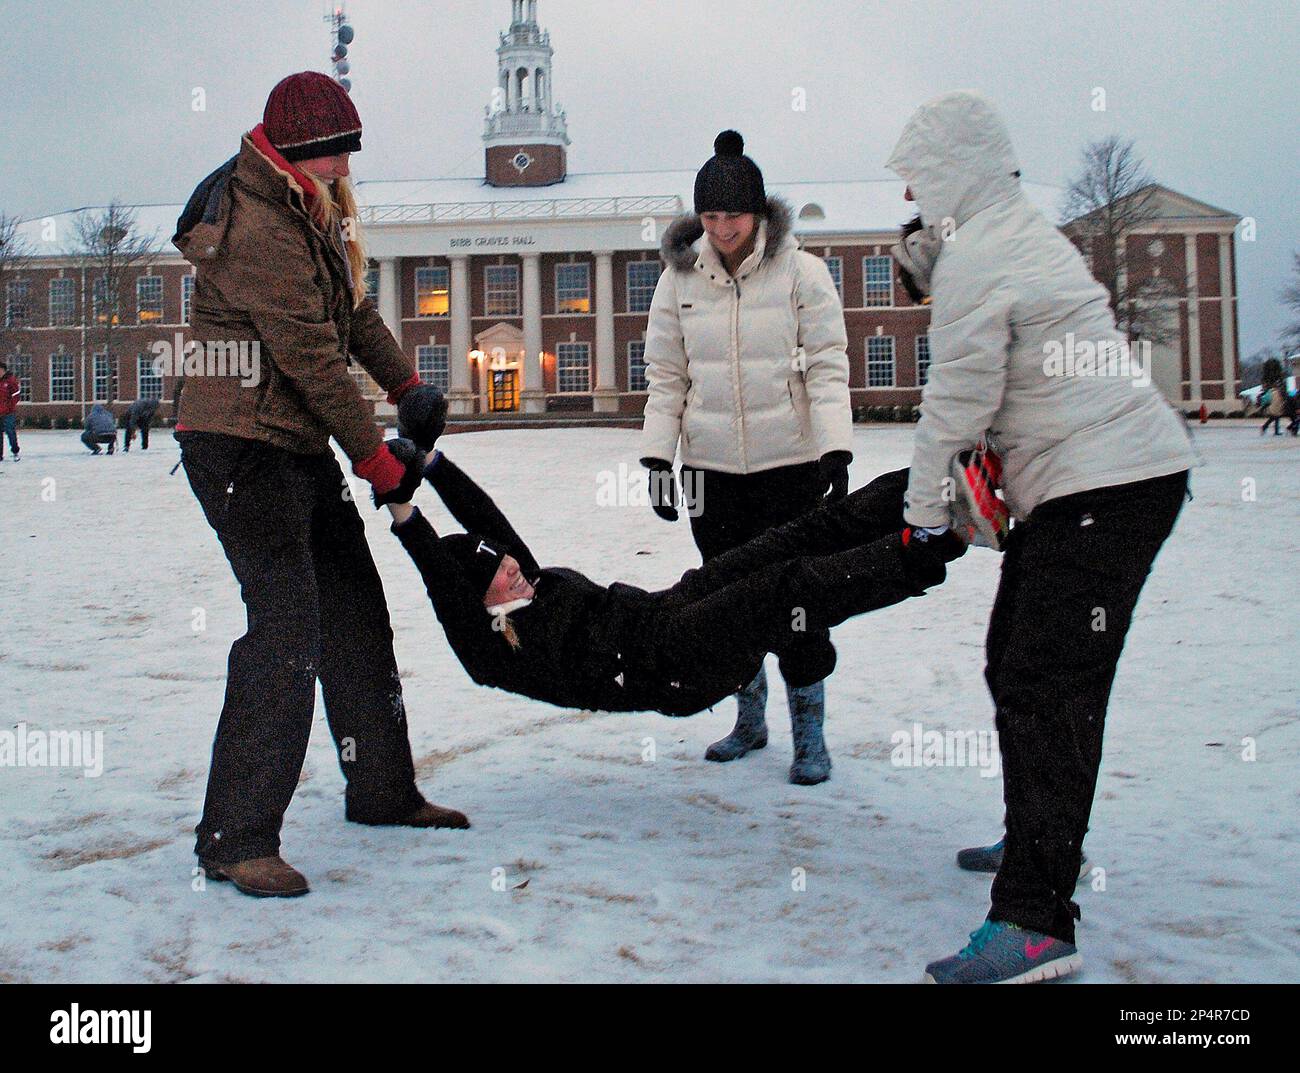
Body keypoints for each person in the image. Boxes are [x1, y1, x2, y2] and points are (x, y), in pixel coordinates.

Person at [885, 90, 1198, 984]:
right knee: (1015, 662)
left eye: (919, 183)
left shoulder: (987, 251)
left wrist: (919, 513)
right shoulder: (997, 231)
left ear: (955, 172)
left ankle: (1035, 917)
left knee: (1046, 676)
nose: (912, 199)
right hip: (1096, 482)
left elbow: (959, 398)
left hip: (1109, 484)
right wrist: (933, 255)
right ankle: (1039, 835)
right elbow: (978, 287)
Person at [172, 71, 463, 899]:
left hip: (293, 441)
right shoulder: (257, 223)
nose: (345, 168)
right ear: (297, 152)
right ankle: (235, 836)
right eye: (335, 154)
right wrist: (375, 455)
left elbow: (352, 314)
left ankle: (381, 789)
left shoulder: (311, 205)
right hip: (236, 448)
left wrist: (408, 386)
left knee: (355, 613)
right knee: (286, 625)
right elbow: (308, 357)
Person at [383, 437, 965, 720]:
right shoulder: (487, 649)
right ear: (478, 603)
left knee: (789, 540)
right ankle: (927, 547)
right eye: (505, 577)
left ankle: (929, 483)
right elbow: (437, 572)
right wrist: (401, 508)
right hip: (671, 665)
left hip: (666, 608)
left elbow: (487, 520)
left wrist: (433, 464)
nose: (518, 573)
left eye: (512, 565)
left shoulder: (524, 583)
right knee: (785, 587)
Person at [640, 130, 853, 784]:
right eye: (709, 215)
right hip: (711, 473)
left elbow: (826, 366)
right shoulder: (679, 280)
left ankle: (810, 733)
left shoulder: (802, 273)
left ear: (758, 212)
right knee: (727, 602)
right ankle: (749, 719)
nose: (721, 228)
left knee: (797, 602)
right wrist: (657, 459)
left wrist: (834, 447)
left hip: (787, 470)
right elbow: (666, 376)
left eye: (732, 214)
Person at [0, 359, 19, 461]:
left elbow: (16, 395)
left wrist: (9, 407)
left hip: (8, 413)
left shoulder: (10, 381)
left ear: (4, 371)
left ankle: (15, 451)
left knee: (10, 432)